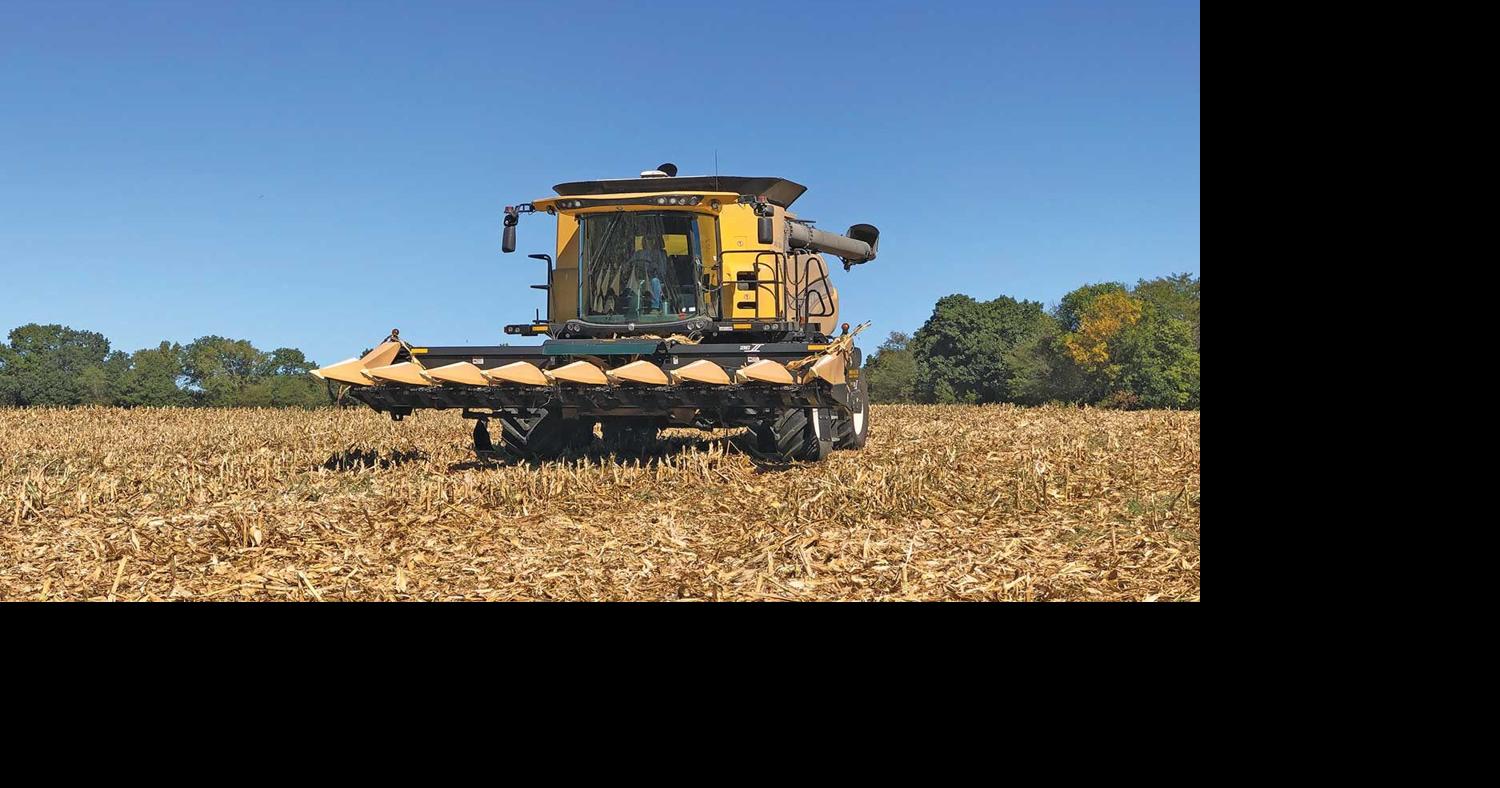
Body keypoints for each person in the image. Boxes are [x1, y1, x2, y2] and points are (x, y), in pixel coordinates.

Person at [627, 229, 671, 312]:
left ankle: (655, 307)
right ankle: (629, 308)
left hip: (654, 279)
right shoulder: (638, 253)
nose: (650, 241)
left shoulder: (660, 254)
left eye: (652, 239)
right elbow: (629, 264)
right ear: (644, 240)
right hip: (640, 278)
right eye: (648, 238)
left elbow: (663, 271)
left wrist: (654, 267)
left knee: (655, 281)